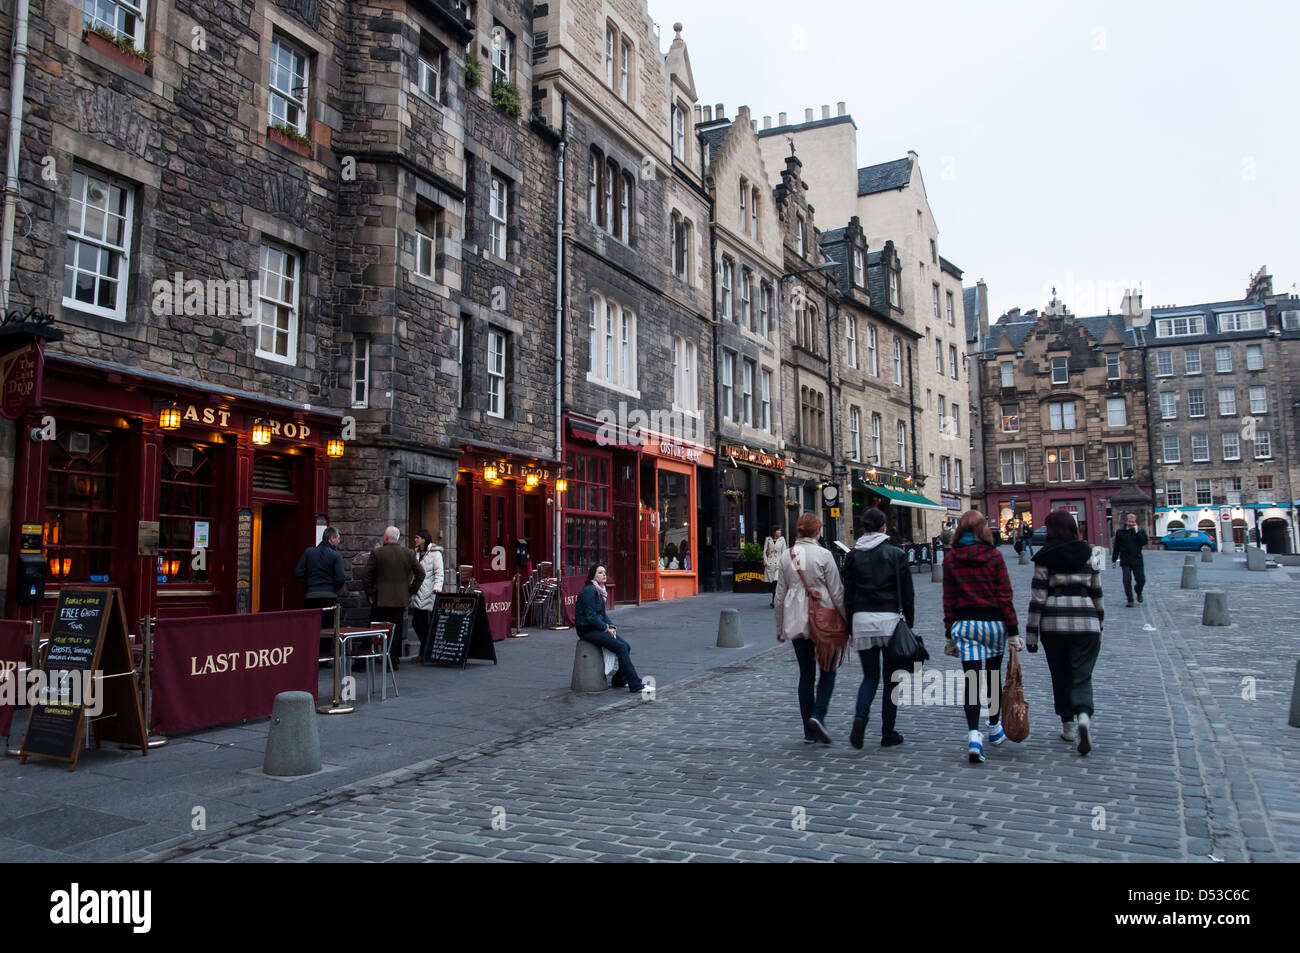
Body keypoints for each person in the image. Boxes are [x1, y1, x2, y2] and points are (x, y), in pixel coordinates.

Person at [942, 510, 1024, 763]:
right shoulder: (994, 557)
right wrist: (1013, 631)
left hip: (965, 625)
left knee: (972, 681)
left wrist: (949, 634)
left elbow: (949, 600)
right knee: (993, 676)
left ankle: (973, 735)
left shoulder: (951, 558)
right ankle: (994, 726)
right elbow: (1005, 597)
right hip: (994, 624)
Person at [1025, 508, 1104, 756]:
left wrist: (1031, 633)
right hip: (1086, 621)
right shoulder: (1093, 552)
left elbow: (1038, 597)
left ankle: (1068, 725)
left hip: (1054, 623)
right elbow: (1097, 592)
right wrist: (1099, 620)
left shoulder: (1043, 556)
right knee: (1082, 674)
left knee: (1060, 674)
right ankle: (1083, 715)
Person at [840, 507, 913, 749]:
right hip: (890, 620)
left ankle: (860, 718)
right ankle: (888, 732)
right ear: (883, 527)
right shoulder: (896, 554)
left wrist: (849, 626)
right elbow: (907, 593)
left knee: (869, 677)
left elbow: (847, 595)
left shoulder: (852, 556)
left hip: (862, 620)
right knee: (891, 679)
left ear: (864, 528)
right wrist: (908, 624)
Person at [774, 513, 845, 744]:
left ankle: (808, 731)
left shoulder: (787, 555)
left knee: (806, 674)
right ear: (817, 531)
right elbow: (837, 592)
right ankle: (818, 715)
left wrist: (780, 626)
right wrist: (847, 622)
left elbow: (779, 595)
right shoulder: (824, 555)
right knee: (828, 670)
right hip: (824, 618)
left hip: (796, 619)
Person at [574, 565, 645, 693]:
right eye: (600, 572)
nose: (604, 575)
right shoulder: (590, 591)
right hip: (586, 630)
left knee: (626, 646)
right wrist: (605, 628)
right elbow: (591, 616)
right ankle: (635, 684)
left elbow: (602, 614)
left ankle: (619, 681)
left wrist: (611, 626)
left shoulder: (600, 590)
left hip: (596, 627)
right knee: (621, 647)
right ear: (593, 576)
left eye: (605, 572)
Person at [362, 526, 424, 671]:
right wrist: (410, 591)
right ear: (397, 538)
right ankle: (392, 660)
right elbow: (421, 573)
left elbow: (366, 575)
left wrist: (370, 592)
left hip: (381, 598)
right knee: (395, 630)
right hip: (399, 599)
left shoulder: (378, 553)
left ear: (386, 538)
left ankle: (365, 657)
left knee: (373, 628)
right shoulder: (408, 553)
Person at [295, 526, 346, 618]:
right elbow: (340, 578)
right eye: (338, 538)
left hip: (311, 596)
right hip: (329, 596)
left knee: (311, 627)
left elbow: (298, 572)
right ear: (331, 539)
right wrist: (332, 587)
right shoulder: (336, 556)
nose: (339, 541)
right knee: (328, 629)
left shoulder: (308, 552)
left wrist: (310, 583)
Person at [410, 529, 445, 659]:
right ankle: (425, 651)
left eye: (417, 537)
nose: (415, 540)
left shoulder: (435, 554)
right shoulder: (417, 553)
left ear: (424, 539)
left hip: (429, 591)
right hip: (418, 591)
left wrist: (437, 588)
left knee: (419, 622)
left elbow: (439, 572)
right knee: (420, 623)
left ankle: (425, 651)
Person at [1110, 512, 1148, 606]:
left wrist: (1137, 532)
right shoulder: (1120, 532)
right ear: (1126, 522)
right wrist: (1114, 560)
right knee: (1126, 580)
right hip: (1125, 559)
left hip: (1137, 559)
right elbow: (1117, 546)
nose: (1131, 524)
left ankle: (1138, 591)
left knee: (1141, 579)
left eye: (1133, 522)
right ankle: (1130, 600)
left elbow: (1144, 542)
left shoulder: (1140, 530)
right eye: (1130, 522)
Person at [763, 527, 788, 608]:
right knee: (772, 583)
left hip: (778, 563)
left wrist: (783, 562)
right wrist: (766, 562)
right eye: (778, 530)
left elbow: (784, 551)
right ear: (774, 531)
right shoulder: (768, 539)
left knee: (776, 581)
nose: (780, 532)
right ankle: (774, 598)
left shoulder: (782, 539)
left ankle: (775, 600)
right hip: (770, 564)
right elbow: (765, 551)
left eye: (780, 530)